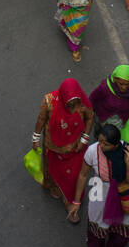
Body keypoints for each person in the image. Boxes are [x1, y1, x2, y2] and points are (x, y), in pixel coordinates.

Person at [69, 124, 129, 247]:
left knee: (121, 230)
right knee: (96, 225)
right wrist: (76, 201)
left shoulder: (127, 152)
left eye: (106, 144)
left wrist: (128, 163)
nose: (101, 146)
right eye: (100, 141)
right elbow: (83, 175)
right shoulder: (92, 151)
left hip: (122, 193)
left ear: (116, 144)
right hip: (100, 190)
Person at [32, 79, 93, 215]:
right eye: (69, 105)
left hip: (76, 148)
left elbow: (90, 117)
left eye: (75, 106)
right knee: (52, 171)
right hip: (53, 148)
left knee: (74, 176)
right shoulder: (49, 101)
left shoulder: (82, 102)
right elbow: (41, 119)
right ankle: (54, 187)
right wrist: (35, 137)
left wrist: (84, 138)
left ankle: (71, 199)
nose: (73, 109)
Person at [89, 65, 129, 147]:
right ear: (115, 79)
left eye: (127, 84)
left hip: (119, 120)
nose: (124, 87)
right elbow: (92, 98)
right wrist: (87, 113)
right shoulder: (105, 87)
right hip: (102, 117)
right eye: (121, 84)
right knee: (99, 132)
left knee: (112, 139)